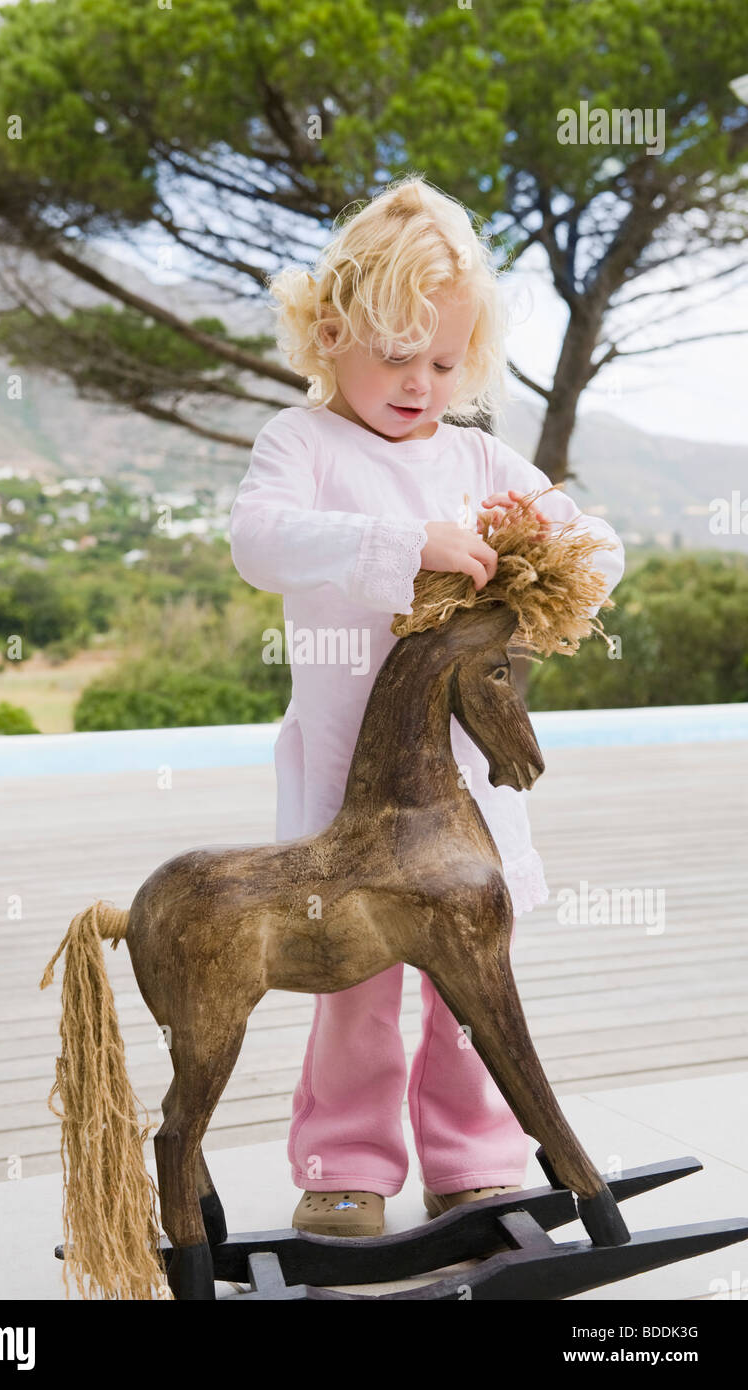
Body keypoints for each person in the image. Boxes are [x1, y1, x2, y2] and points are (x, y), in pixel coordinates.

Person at [228, 175, 625, 1238]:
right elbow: (258, 539)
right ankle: (346, 1163)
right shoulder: (302, 447)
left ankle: (474, 1162)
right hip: (342, 783)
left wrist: (542, 552)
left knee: (467, 981)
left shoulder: (480, 457)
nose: (419, 382)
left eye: (443, 362)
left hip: (457, 790)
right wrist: (403, 547)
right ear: (329, 331)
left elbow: (598, 543)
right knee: (351, 977)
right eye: (395, 355)